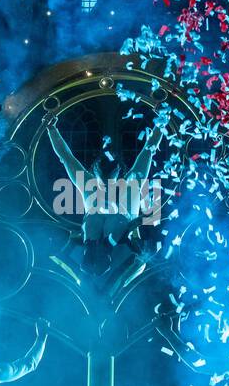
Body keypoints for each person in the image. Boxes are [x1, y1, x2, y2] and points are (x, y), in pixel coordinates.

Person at [46, 116, 165, 275]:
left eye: (109, 166)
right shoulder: (90, 184)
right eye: (103, 166)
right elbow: (65, 157)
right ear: (95, 169)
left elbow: (149, 150)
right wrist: (51, 129)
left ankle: (102, 250)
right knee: (102, 220)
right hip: (99, 255)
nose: (105, 169)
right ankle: (97, 251)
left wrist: (162, 120)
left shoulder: (130, 186)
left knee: (112, 220)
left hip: (122, 258)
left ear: (118, 170)